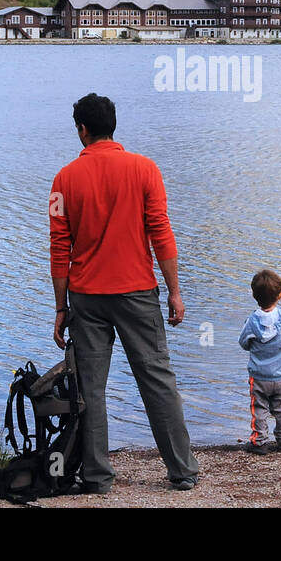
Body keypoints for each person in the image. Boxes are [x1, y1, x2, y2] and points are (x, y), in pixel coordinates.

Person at [48, 93, 199, 493]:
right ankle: (182, 471)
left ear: (82, 129)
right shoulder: (145, 169)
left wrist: (61, 307)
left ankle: (97, 477)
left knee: (91, 390)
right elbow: (161, 233)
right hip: (137, 292)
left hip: (86, 295)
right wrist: (175, 291)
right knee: (157, 380)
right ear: (114, 125)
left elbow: (59, 248)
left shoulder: (64, 180)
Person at [238, 269, 281, 455]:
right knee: (280, 408)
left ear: (254, 296)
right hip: (280, 375)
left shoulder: (252, 321)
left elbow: (243, 343)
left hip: (258, 376)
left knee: (258, 408)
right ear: (280, 295)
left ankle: (259, 441)